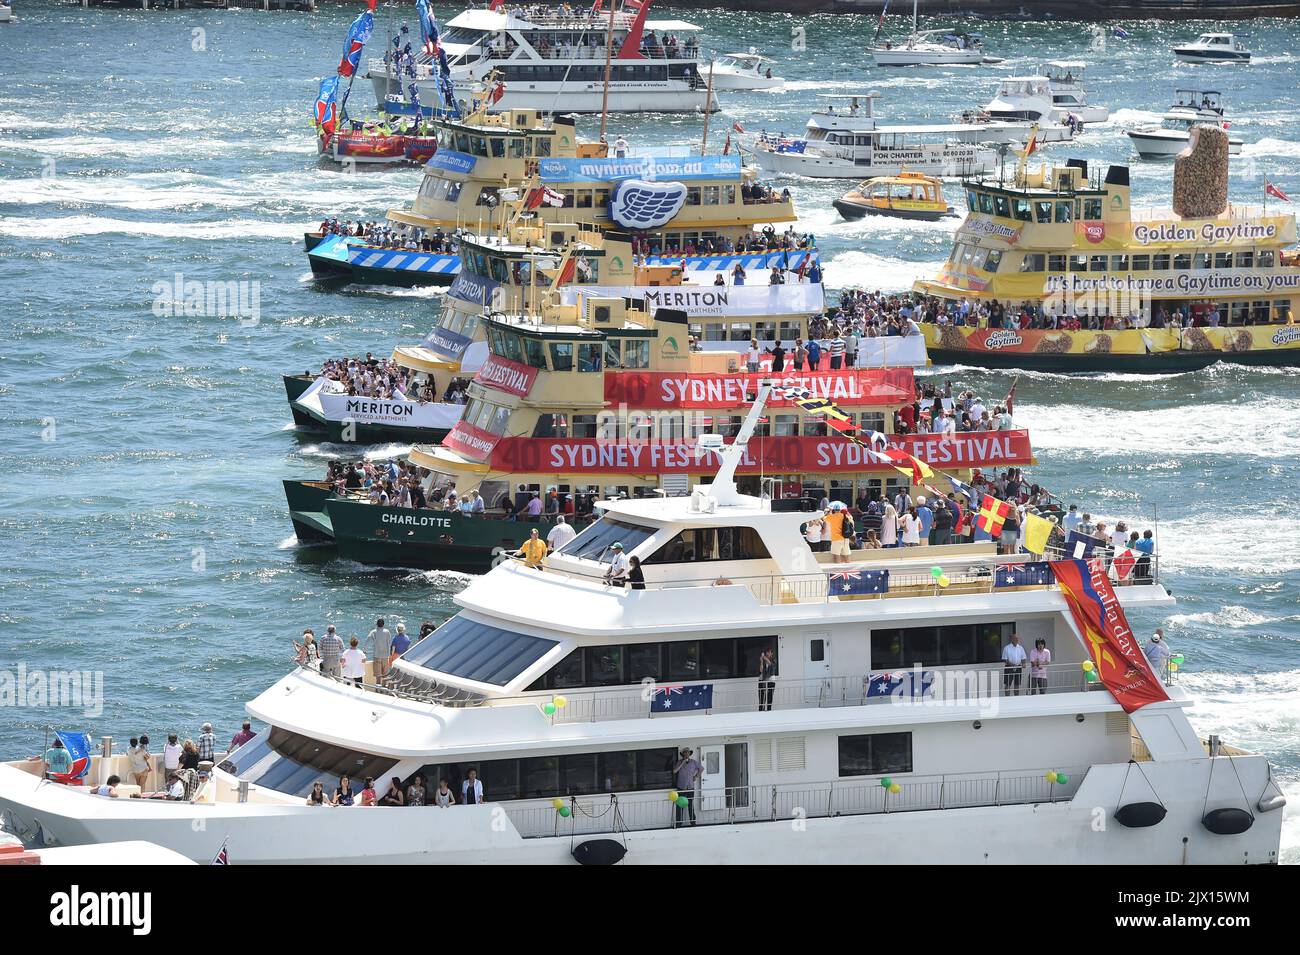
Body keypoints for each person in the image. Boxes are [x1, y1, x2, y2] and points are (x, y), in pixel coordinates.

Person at [673, 747, 703, 826]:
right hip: (681, 787)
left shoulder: (693, 762)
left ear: (690, 754)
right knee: (680, 806)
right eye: (685, 752)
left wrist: (696, 776)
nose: (686, 754)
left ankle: (693, 822)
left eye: (688, 752)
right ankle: (679, 823)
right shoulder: (679, 762)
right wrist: (682, 763)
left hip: (690, 787)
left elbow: (701, 769)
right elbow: (674, 771)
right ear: (682, 754)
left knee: (690, 805)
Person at [368, 618, 393, 682]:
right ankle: (384, 689)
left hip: (377, 656)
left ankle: (377, 690)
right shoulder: (387, 631)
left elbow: (368, 639)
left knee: (378, 676)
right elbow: (389, 642)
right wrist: (390, 654)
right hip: (385, 656)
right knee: (385, 675)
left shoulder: (374, 631)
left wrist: (365, 650)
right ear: (383, 624)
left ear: (377, 624)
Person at [757, 646, 777, 712]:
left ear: (771, 653)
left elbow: (771, 665)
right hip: (762, 680)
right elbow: (760, 670)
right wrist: (761, 661)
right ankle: (761, 710)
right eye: (766, 652)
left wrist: (764, 658)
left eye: (769, 652)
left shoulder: (774, 659)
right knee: (761, 696)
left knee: (769, 697)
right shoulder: (763, 660)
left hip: (771, 680)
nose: (767, 653)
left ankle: (768, 711)